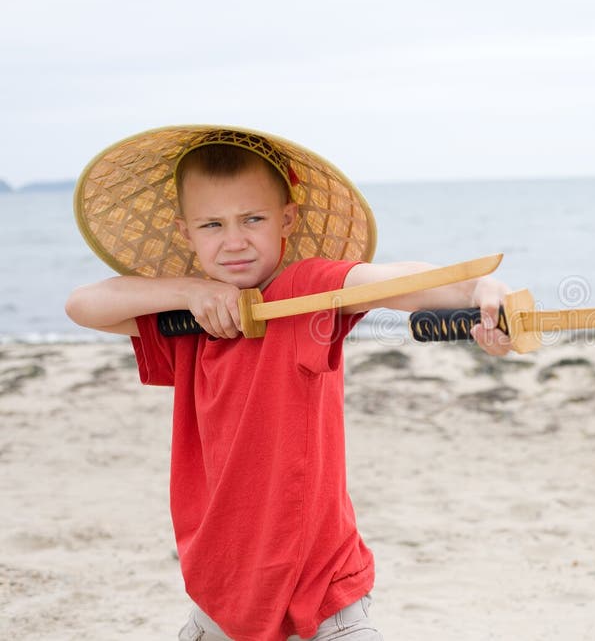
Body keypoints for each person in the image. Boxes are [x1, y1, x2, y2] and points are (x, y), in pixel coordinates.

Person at [65, 126, 512, 641]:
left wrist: (478, 289)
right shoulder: (189, 318)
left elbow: (395, 282)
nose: (234, 241)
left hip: (321, 596)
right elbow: (82, 305)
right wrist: (191, 291)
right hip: (221, 591)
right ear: (186, 233)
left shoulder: (307, 291)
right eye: (212, 224)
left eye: (253, 219)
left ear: (287, 219)